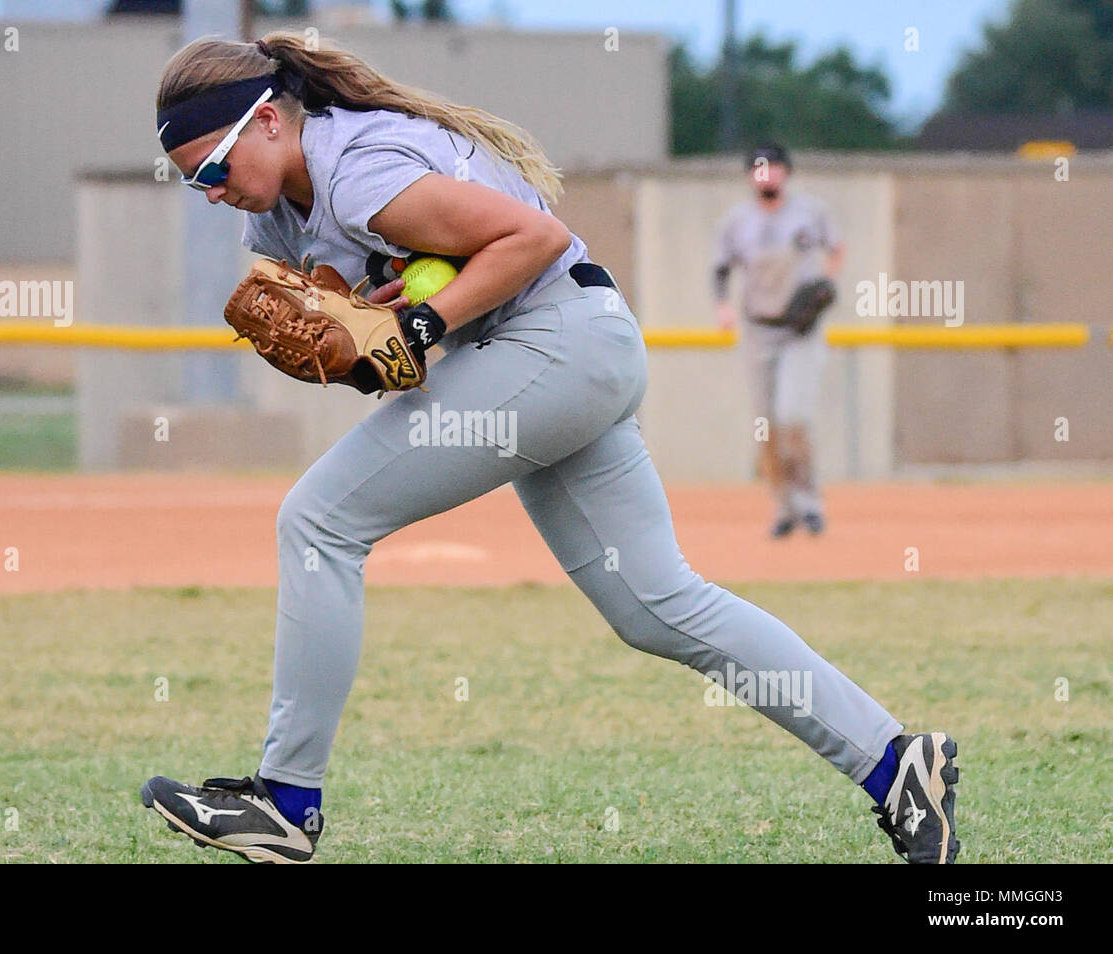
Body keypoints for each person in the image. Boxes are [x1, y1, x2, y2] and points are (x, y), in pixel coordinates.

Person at [140, 34, 959, 865]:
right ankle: (897, 765)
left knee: (318, 522)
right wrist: (366, 345)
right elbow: (369, 330)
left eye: (212, 169)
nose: (208, 193)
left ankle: (285, 802)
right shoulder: (279, 212)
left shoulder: (359, 168)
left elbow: (533, 236)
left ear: (270, 120)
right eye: (191, 181)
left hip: (557, 340)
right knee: (657, 606)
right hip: (551, 355)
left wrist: (421, 323)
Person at [714, 144, 843, 538]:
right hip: (758, 330)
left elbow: (835, 250)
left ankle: (810, 503)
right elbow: (720, 268)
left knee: (793, 418)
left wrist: (828, 281)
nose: (766, 174)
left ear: (787, 172)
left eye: (773, 167)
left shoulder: (810, 213)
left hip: (798, 329)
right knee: (765, 426)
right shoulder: (737, 221)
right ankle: (784, 506)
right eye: (758, 168)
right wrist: (722, 306)